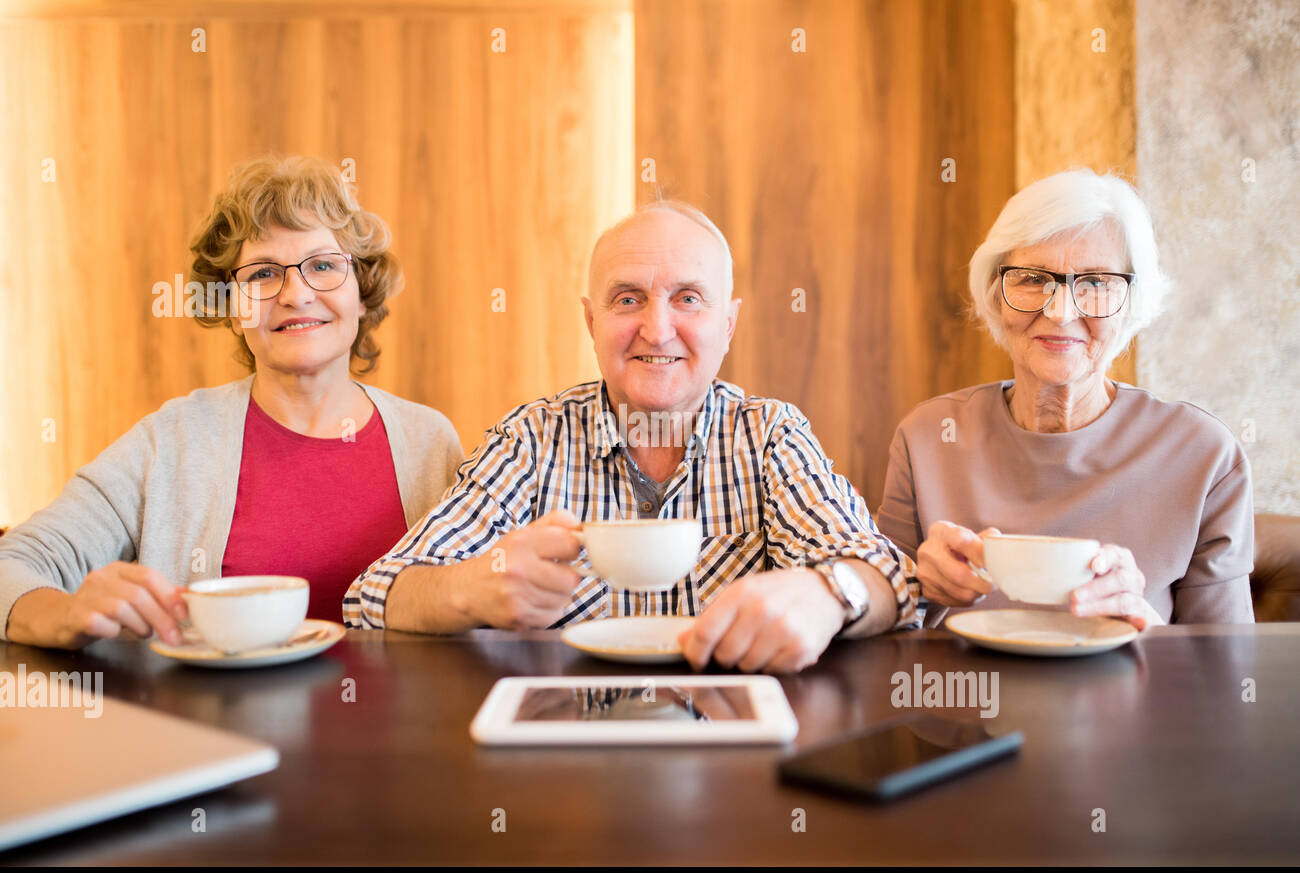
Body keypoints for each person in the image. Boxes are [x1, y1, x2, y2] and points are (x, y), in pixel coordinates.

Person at [346, 201, 919, 673]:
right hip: (570, 758)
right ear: (591, 322)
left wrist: (829, 594)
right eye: (628, 299)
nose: (657, 328)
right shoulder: (531, 441)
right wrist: (471, 588)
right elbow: (374, 594)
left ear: (729, 324)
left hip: (732, 750)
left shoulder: (769, 435)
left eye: (688, 298)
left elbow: (889, 577)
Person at [0, 156, 463, 649]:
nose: (296, 294)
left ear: (363, 293)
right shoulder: (171, 441)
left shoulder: (430, 443)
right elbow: (13, 563)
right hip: (212, 725)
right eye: (263, 274)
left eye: (323, 265)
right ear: (231, 307)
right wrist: (64, 613)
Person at [876, 168, 1254, 628]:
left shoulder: (1204, 454)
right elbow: (881, 646)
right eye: (1033, 278)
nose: (1060, 311)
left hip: (1133, 699)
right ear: (996, 295)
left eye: (1095, 282)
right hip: (963, 699)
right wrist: (916, 591)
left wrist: (1148, 629)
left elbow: (1230, 673)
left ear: (1132, 303)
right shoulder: (927, 438)